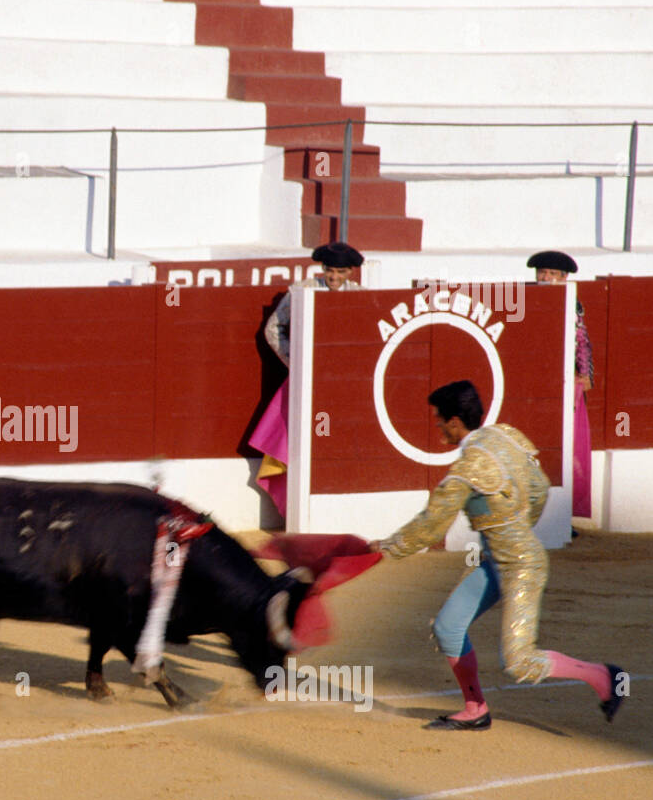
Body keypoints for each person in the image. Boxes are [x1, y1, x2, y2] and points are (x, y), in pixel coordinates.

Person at [369, 380, 627, 730]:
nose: (437, 426)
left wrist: (388, 547)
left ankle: (603, 676)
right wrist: (516, 529)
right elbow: (538, 489)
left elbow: (431, 527)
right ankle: (475, 709)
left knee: (520, 661)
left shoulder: (466, 471)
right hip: (498, 560)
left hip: (521, 566)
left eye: (439, 419)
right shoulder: (506, 437)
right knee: (448, 627)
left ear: (456, 422)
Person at [250, 242, 364, 516]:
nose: (333, 278)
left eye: (340, 272)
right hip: (306, 379)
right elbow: (273, 329)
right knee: (295, 439)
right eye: (329, 271)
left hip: (340, 384)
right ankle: (295, 508)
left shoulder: (360, 296)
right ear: (322, 268)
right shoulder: (302, 290)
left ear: (350, 272)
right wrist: (296, 362)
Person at [527, 250, 593, 523]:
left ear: (564, 278)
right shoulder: (526, 299)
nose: (546, 278)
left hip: (565, 385)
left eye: (553, 274)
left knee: (570, 446)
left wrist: (585, 373)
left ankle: (562, 517)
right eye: (543, 272)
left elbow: (581, 341)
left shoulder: (572, 304)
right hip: (534, 386)